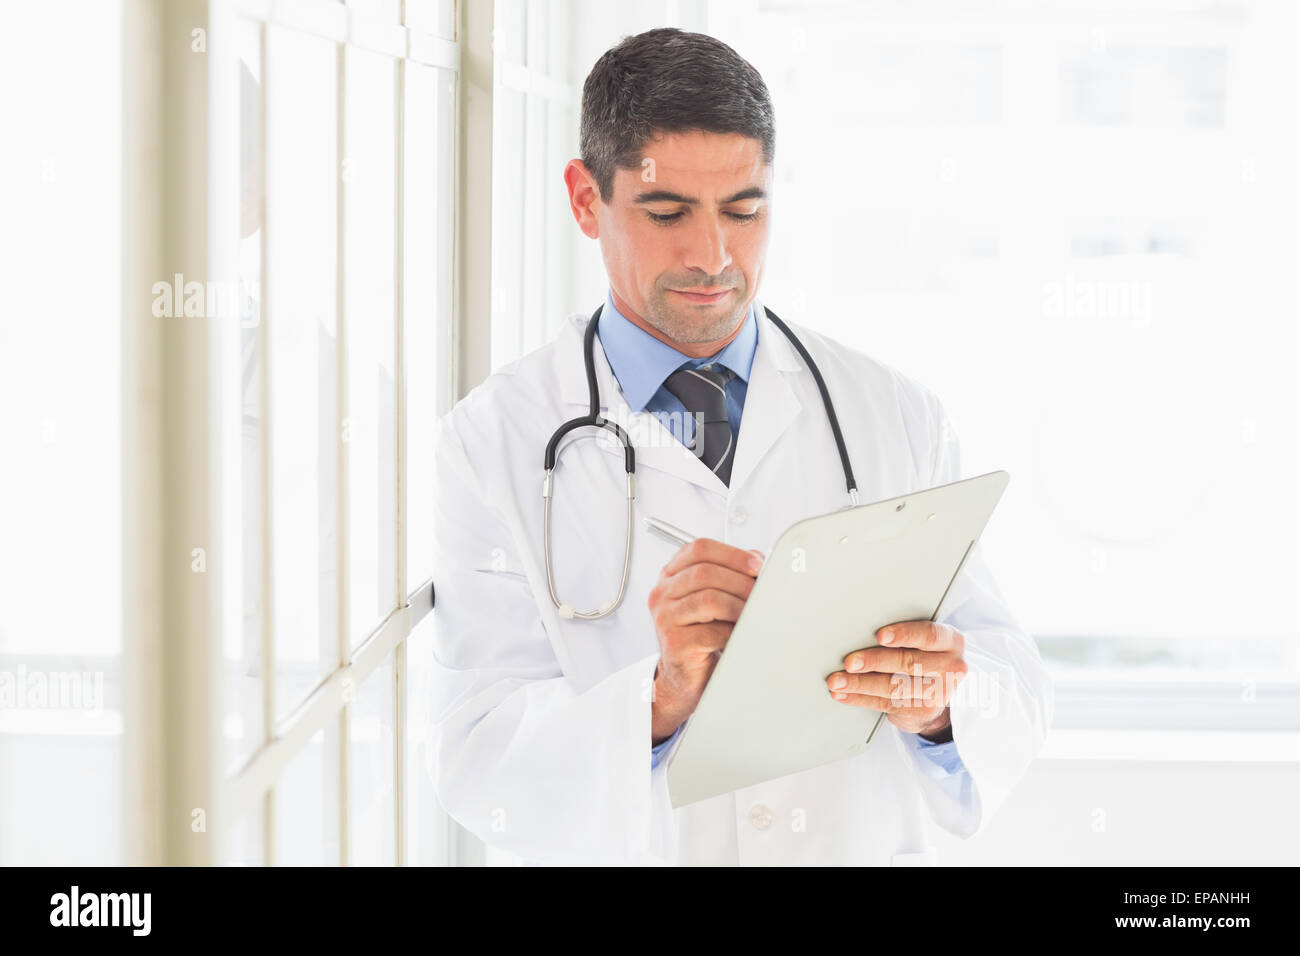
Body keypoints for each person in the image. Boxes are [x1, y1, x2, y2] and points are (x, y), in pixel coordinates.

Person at [428, 26, 1052, 865]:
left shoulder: (893, 413)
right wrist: (659, 698)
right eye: (666, 212)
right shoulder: (492, 440)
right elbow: (477, 752)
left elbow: (1010, 676)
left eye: (743, 209)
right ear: (586, 200)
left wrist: (939, 705)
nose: (712, 256)